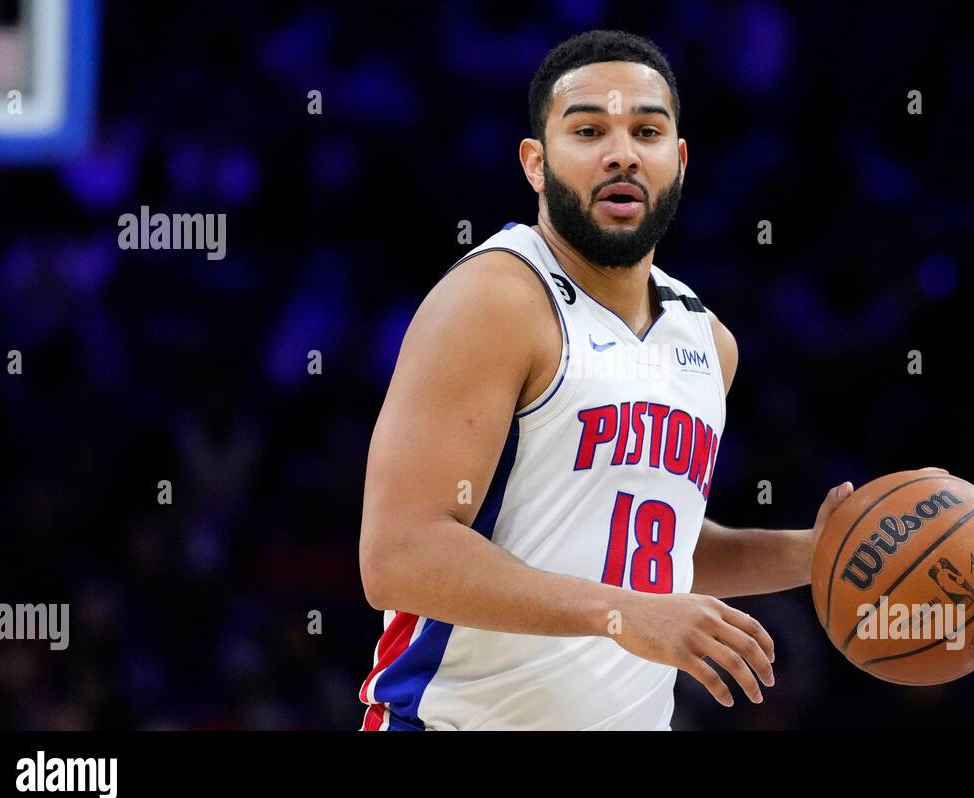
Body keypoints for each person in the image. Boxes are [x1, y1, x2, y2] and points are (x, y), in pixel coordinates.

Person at [358, 29, 854, 730]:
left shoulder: (708, 341)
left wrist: (808, 554)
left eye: (646, 131)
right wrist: (621, 613)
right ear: (536, 163)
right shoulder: (497, 298)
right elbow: (399, 555)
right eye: (588, 129)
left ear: (678, 162)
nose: (621, 152)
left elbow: (645, 545)